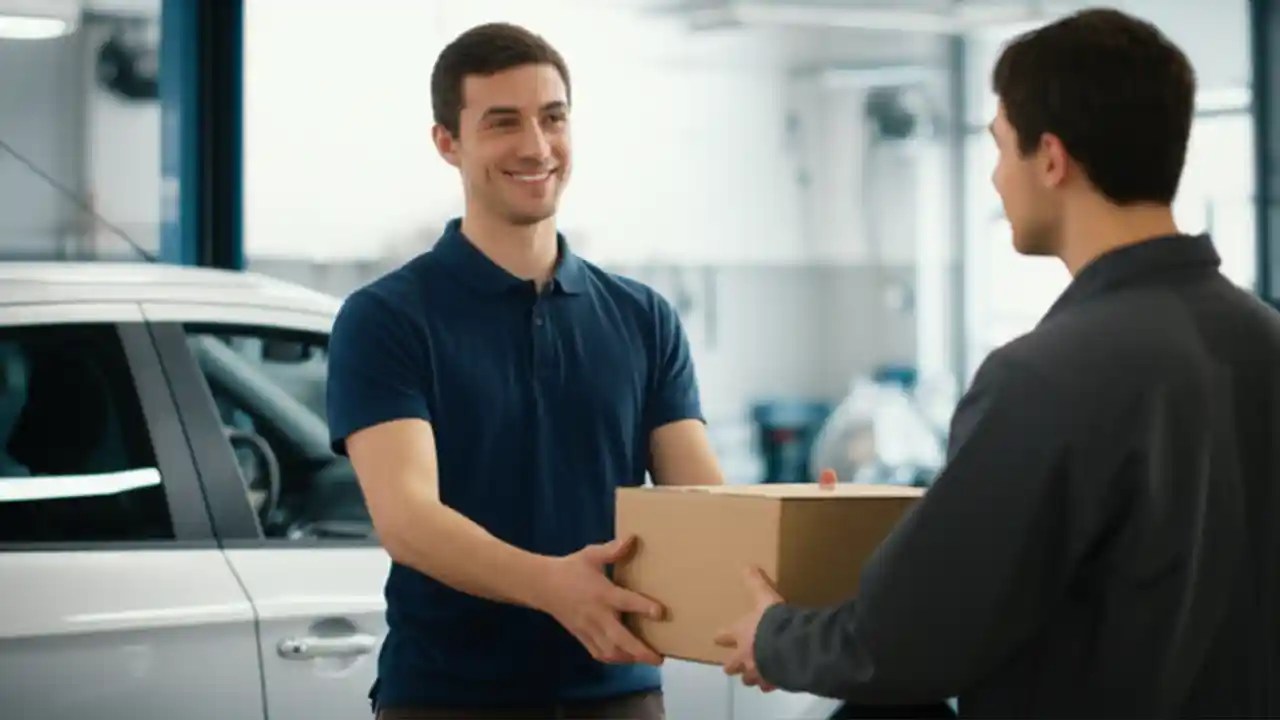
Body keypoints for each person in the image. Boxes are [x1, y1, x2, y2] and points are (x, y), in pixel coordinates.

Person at [716, 8, 1280, 718]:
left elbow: (906, 639)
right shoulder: (1266, 338)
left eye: (999, 147)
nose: (995, 177)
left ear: (1050, 159)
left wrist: (776, 636)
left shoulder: (1044, 376)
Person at [327, 22, 724, 720]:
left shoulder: (642, 317)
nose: (536, 146)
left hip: (617, 695)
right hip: (449, 698)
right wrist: (554, 586)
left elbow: (701, 504)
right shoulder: (385, 318)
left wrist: (789, 526)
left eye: (553, 118)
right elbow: (409, 519)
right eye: (503, 122)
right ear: (448, 142)